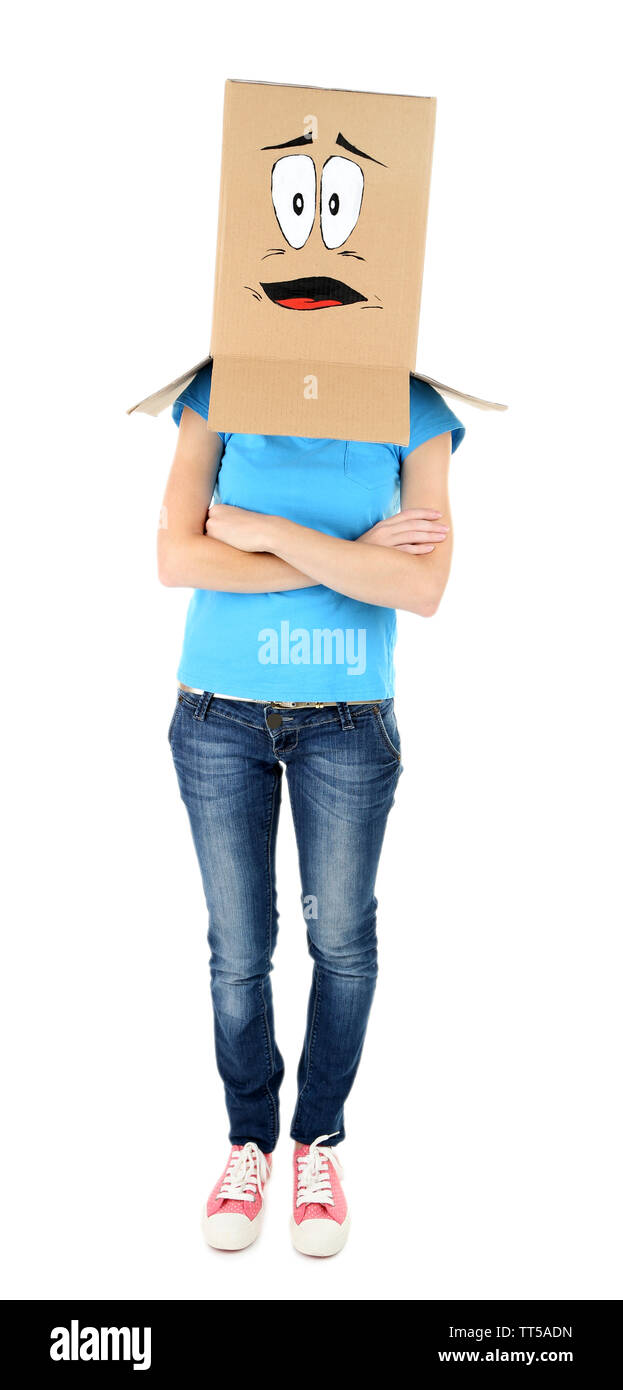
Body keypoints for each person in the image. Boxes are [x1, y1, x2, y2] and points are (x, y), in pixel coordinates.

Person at [159, 360, 465, 1255]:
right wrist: (354, 557)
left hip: (347, 722)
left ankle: (316, 1142)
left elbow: (423, 587)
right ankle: (248, 1140)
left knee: (341, 942)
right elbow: (177, 556)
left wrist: (256, 531)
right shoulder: (219, 390)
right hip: (219, 716)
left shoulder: (414, 407)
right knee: (239, 947)